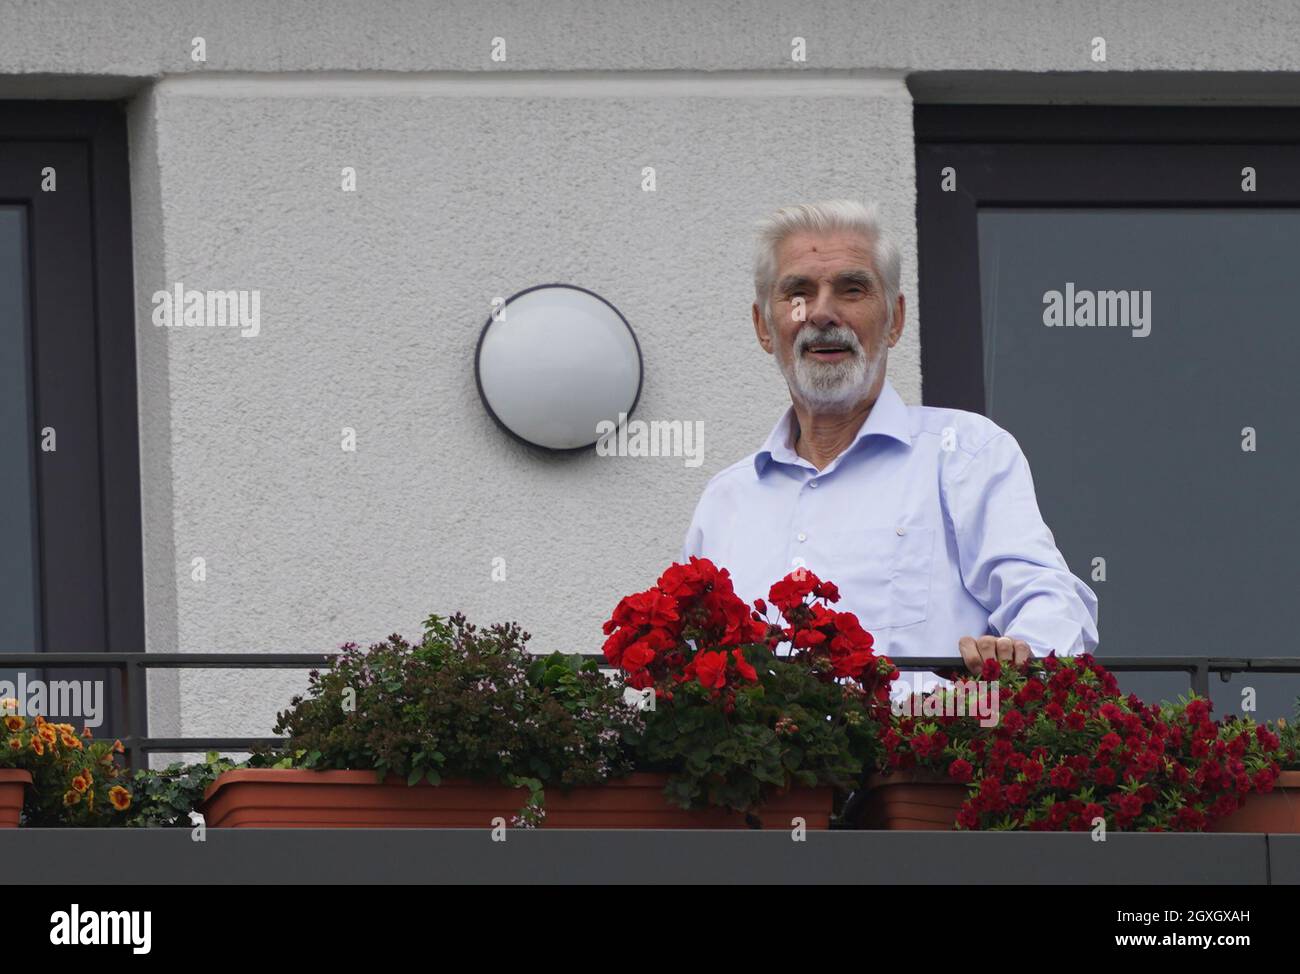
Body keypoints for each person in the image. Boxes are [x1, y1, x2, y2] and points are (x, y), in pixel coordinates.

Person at [681, 199, 1098, 678]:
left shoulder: (964, 455)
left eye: (852, 289)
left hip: (920, 749)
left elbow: (1051, 603)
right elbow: (687, 666)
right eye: (798, 292)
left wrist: (1013, 670)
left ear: (895, 320)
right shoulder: (725, 502)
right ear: (763, 327)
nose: (821, 313)